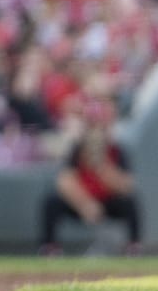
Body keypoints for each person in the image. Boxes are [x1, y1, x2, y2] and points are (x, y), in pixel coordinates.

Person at [37, 101, 141, 256]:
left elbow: (127, 185)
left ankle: (133, 247)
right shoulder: (77, 149)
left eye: (99, 125)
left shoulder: (116, 150)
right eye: (91, 125)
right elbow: (64, 181)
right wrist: (85, 204)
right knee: (51, 202)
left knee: (130, 202)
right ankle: (50, 247)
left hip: (107, 202)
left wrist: (103, 168)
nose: (95, 131)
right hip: (82, 203)